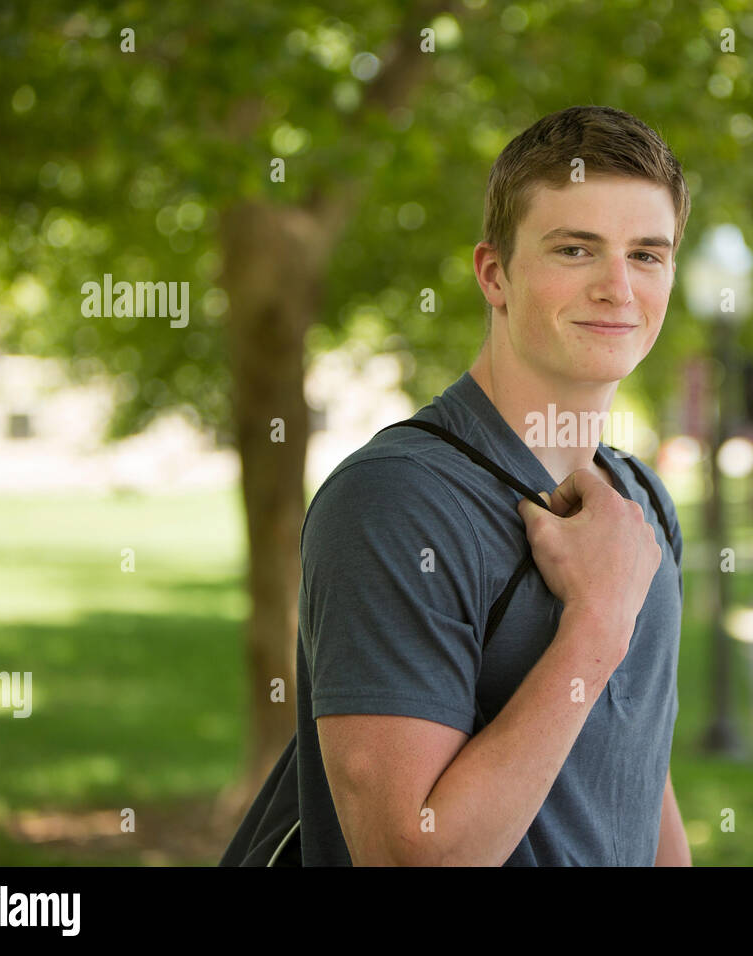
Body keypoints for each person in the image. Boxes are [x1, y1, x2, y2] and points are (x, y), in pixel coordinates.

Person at [295, 105, 693, 865]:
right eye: (576, 250)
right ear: (494, 274)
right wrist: (599, 621)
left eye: (647, 254)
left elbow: (637, 775)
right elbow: (407, 854)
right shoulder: (396, 502)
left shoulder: (640, 499)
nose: (618, 287)